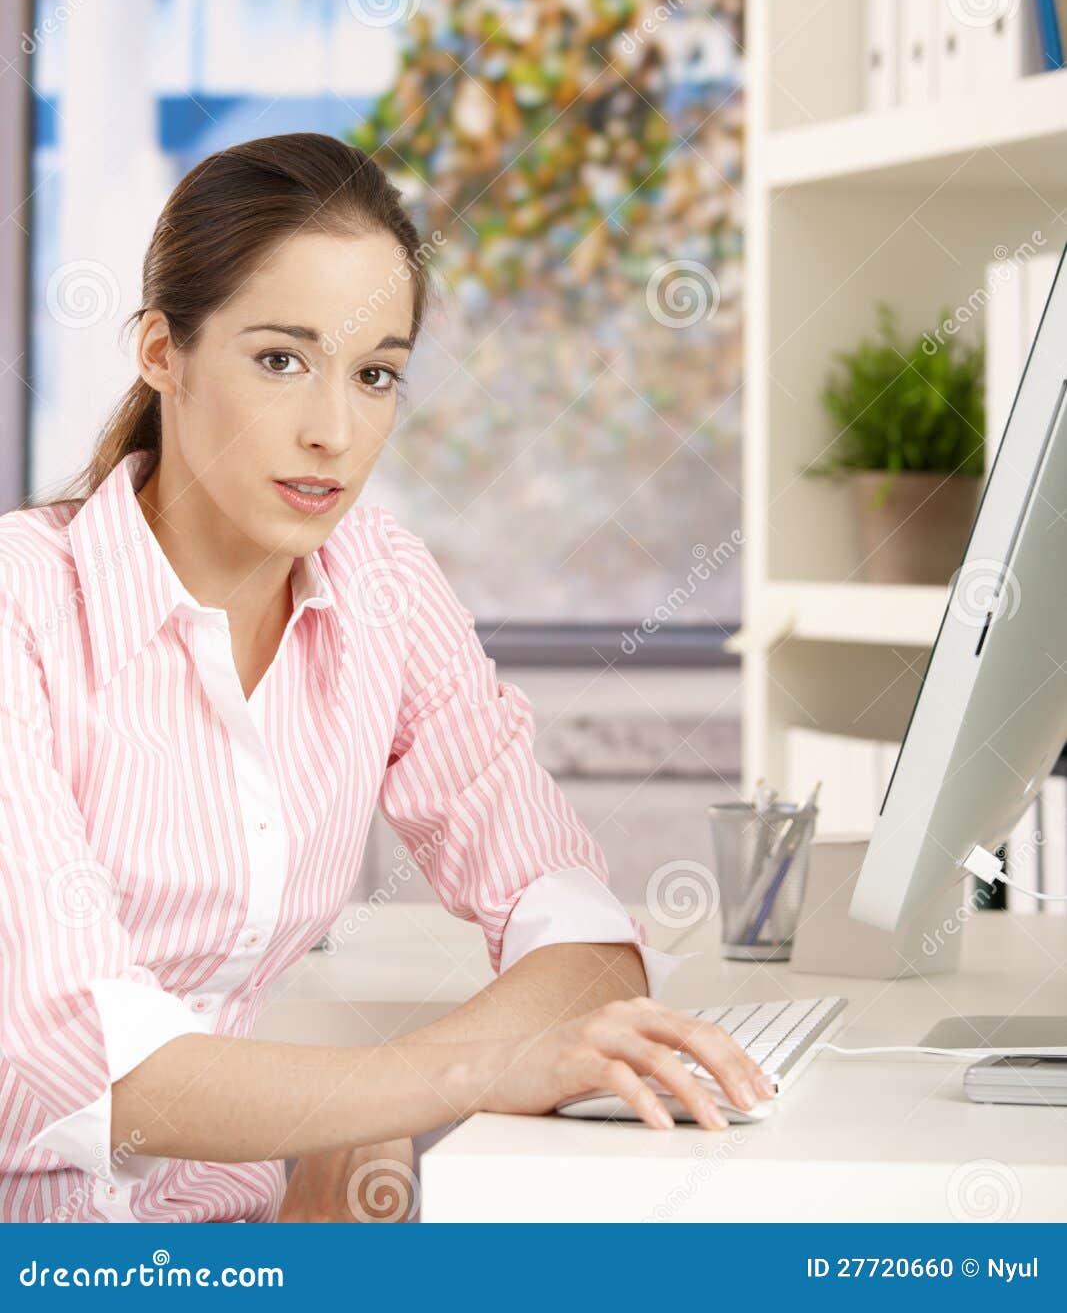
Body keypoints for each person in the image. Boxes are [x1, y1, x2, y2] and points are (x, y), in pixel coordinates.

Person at [0, 134, 771, 1224]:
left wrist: (384, 1109)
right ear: (162, 352)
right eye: (279, 359)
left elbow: (577, 927)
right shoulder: (22, 609)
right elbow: (96, 1069)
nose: (333, 431)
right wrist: (456, 1076)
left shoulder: (380, 585)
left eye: (374, 375)